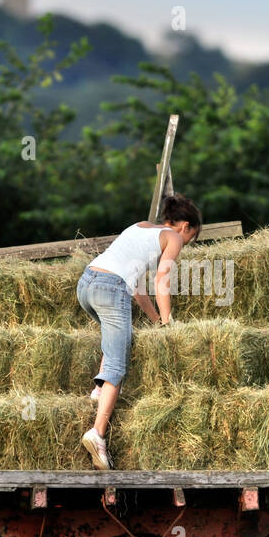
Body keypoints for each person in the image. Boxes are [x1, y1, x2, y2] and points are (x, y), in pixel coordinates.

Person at [76, 195, 202, 469]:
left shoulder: (142, 226)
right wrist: (168, 322)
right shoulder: (174, 237)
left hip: (87, 284)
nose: (186, 243)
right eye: (191, 237)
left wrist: (156, 318)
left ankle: (98, 392)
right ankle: (97, 434)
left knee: (115, 338)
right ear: (186, 227)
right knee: (118, 363)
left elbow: (137, 289)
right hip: (110, 287)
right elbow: (162, 280)